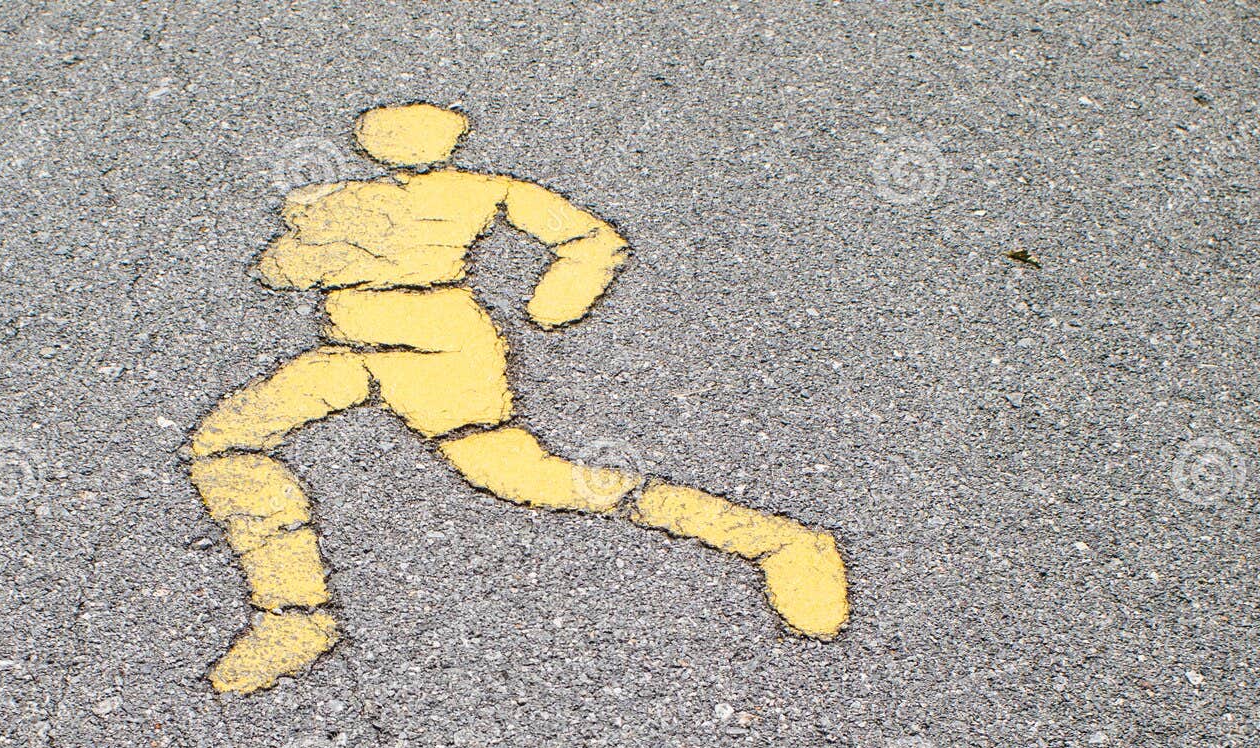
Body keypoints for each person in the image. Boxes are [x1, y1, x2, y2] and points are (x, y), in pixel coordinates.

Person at [188, 103, 848, 694]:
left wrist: (554, 303)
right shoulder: (368, 197)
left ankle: (778, 542)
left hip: (432, 349)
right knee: (227, 444)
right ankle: (293, 617)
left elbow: (588, 241)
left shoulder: (441, 193)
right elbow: (284, 269)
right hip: (361, 347)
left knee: (529, 476)